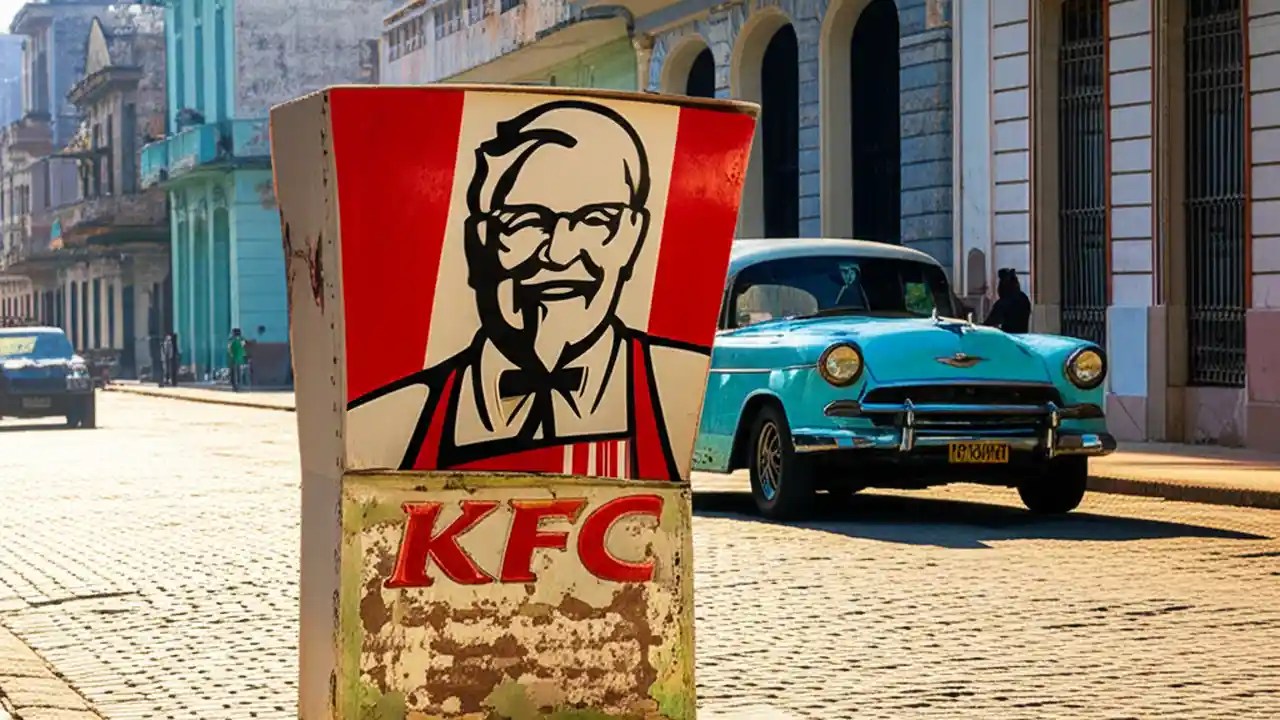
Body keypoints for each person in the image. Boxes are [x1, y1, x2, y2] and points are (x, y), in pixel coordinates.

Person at [345, 99, 706, 481]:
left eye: (596, 219)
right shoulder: (397, 415)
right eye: (527, 221)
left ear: (633, 236)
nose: (560, 253)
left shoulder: (674, 388)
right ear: (480, 243)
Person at [984, 267, 1032, 334]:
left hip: (1007, 340)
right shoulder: (1024, 298)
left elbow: (989, 324)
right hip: (1022, 339)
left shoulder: (1004, 303)